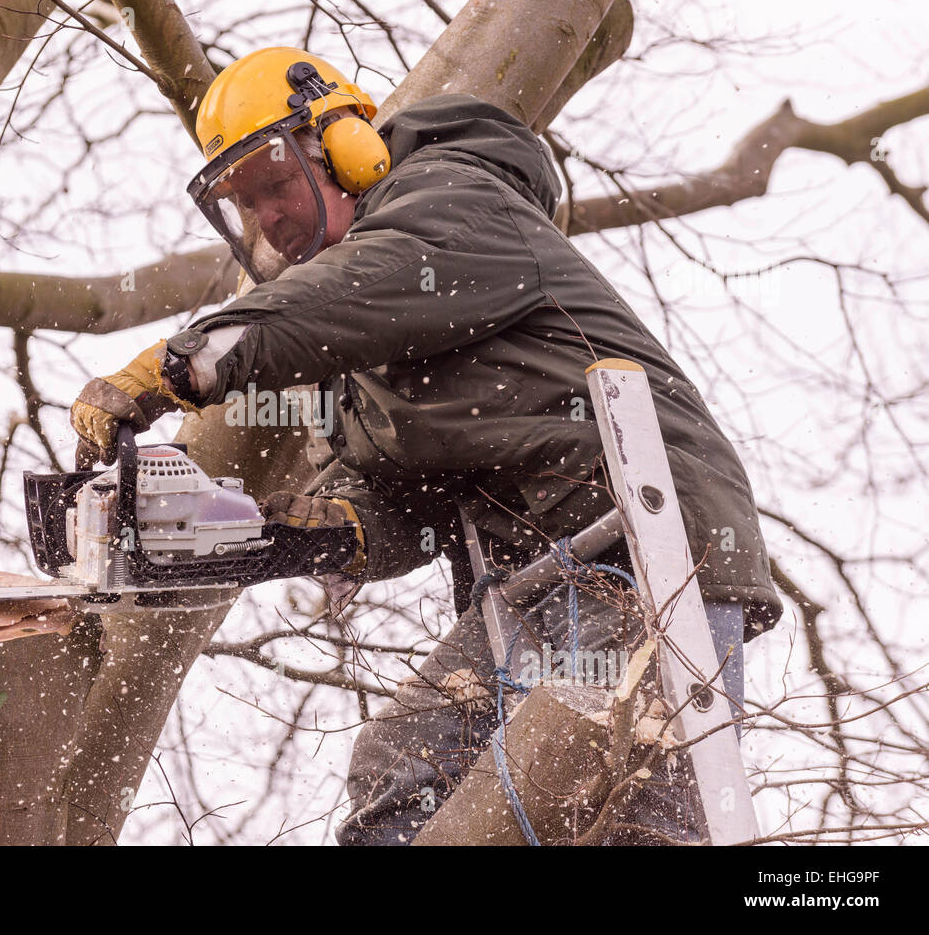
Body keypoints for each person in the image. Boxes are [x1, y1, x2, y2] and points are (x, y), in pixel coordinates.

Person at [69, 47, 783, 844]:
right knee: (402, 768)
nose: (267, 216)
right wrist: (303, 530)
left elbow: (341, 297)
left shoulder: (451, 202)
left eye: (274, 184)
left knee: (632, 802)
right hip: (527, 584)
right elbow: (410, 503)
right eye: (246, 203)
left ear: (346, 146)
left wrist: (179, 366)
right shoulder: (361, 361)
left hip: (645, 545)